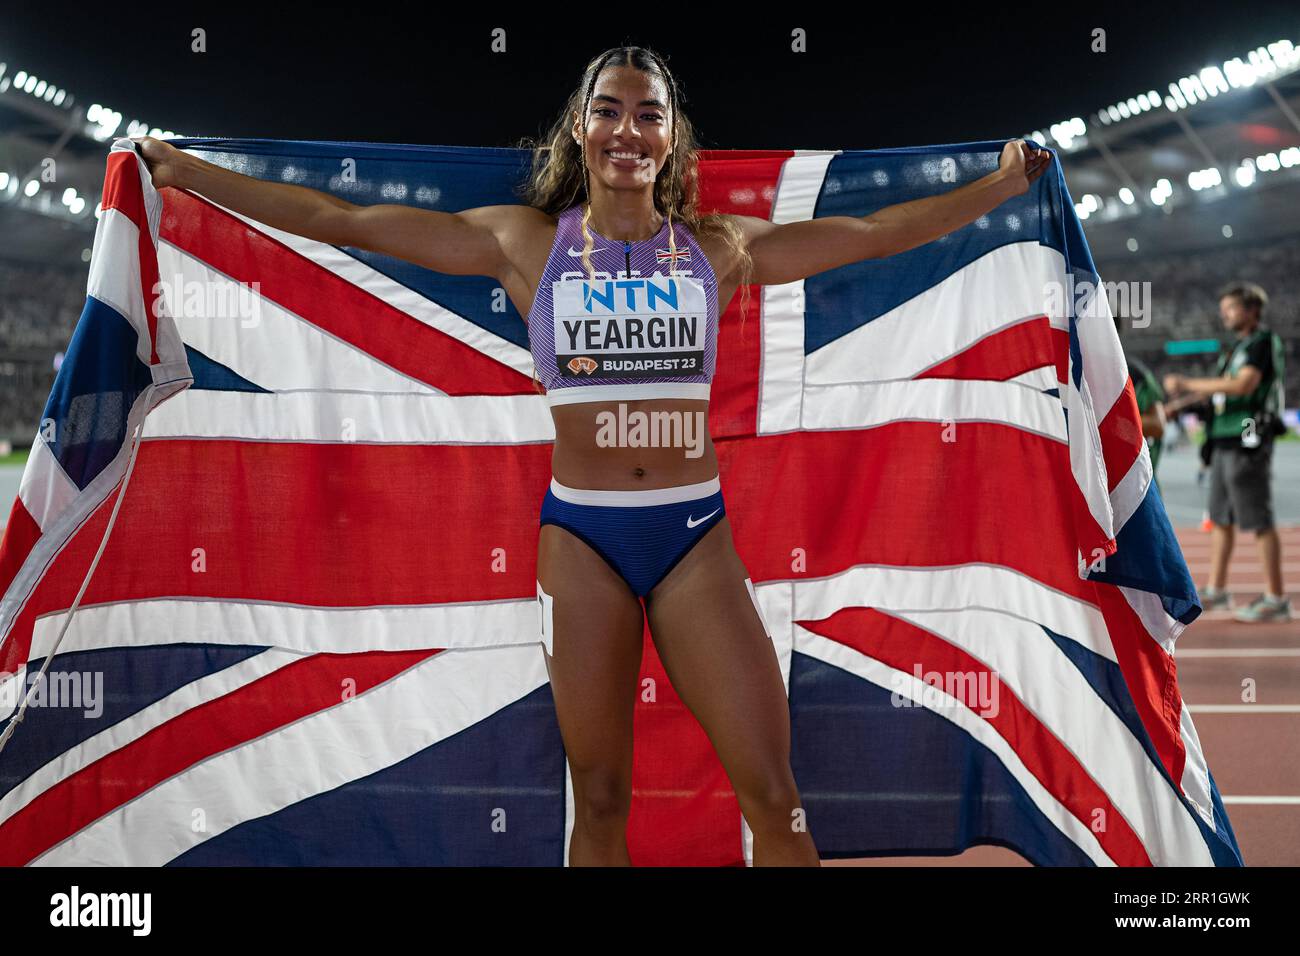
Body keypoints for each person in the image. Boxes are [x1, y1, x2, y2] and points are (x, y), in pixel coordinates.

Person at [135, 45, 1051, 865]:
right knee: (602, 798)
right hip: (582, 541)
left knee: (776, 799)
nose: (627, 129)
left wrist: (1003, 186)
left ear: (671, 137)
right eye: (609, 109)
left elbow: (876, 234)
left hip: (695, 537)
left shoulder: (714, 250)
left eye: (648, 112)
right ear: (582, 128)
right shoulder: (524, 242)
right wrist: (184, 174)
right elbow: (344, 220)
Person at [1164, 281, 1290, 623]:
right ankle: (1217, 590)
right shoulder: (1234, 350)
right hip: (1223, 436)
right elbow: (1220, 391)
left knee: (1258, 517)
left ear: (1252, 310)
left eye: (1231, 308)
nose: (1225, 314)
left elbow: (1242, 385)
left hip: (1247, 432)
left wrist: (1187, 384)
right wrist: (1180, 404)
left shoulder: (1262, 343)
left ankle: (1277, 597)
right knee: (1220, 517)